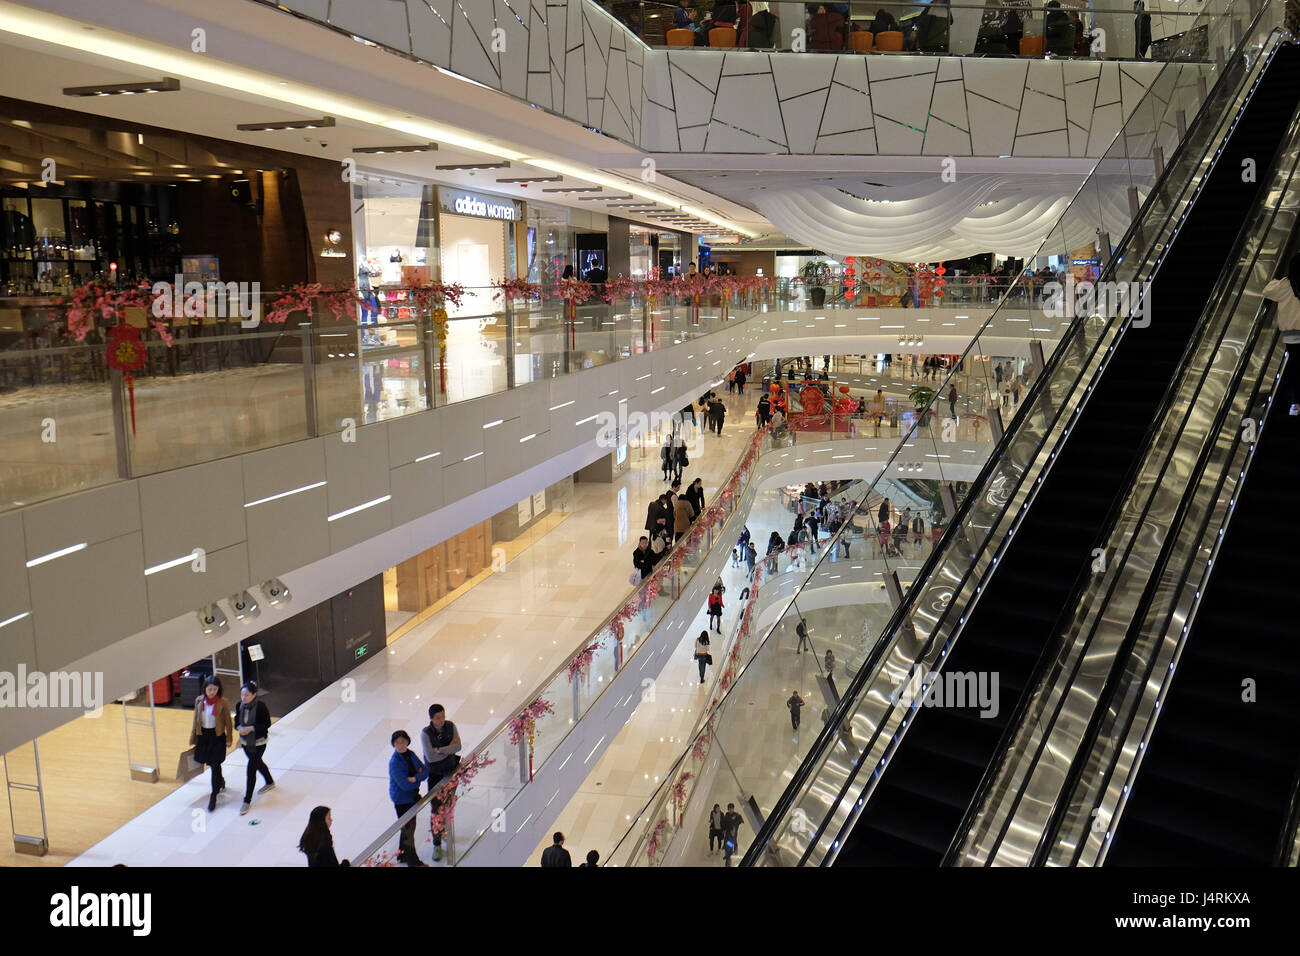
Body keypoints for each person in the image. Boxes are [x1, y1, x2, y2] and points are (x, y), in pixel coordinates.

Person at [421, 703, 462, 862]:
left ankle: (445, 830)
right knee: (436, 810)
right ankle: (436, 843)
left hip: (451, 772)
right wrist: (448, 748)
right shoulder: (425, 734)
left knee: (449, 805)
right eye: (438, 718)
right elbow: (430, 757)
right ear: (431, 719)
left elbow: (458, 747)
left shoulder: (451, 726)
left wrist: (439, 750)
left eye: (443, 717)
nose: (442, 720)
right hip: (436, 776)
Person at [190, 675, 235, 813]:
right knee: (209, 762)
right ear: (205, 689)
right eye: (210, 689)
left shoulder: (223, 703)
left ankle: (214, 794)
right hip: (203, 736)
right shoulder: (199, 701)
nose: (212, 692)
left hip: (217, 737)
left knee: (215, 764)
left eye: (215, 689)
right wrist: (193, 737)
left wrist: (229, 738)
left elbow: (228, 722)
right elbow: (195, 720)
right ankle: (220, 781)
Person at [1262, 252, 1300, 414]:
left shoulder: (1285, 286)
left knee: (1296, 367)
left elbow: (1266, 290)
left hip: (1292, 334)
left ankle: (1296, 404)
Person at [388, 730, 428, 866]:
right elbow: (404, 785)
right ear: (394, 744)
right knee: (409, 831)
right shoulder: (394, 763)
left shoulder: (410, 754)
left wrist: (415, 778)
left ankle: (402, 855)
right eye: (398, 743)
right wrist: (418, 779)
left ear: (407, 742)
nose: (401, 745)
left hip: (411, 797)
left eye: (403, 742)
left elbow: (425, 770)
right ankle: (414, 862)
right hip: (402, 800)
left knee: (407, 828)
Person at [234, 681, 275, 816]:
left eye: (246, 695)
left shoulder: (261, 707)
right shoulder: (240, 705)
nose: (243, 697)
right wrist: (239, 728)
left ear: (254, 695)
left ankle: (247, 800)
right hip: (246, 742)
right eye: (242, 694)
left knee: (251, 767)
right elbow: (236, 722)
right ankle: (269, 781)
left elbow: (266, 724)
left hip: (259, 742)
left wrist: (251, 728)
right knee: (257, 763)